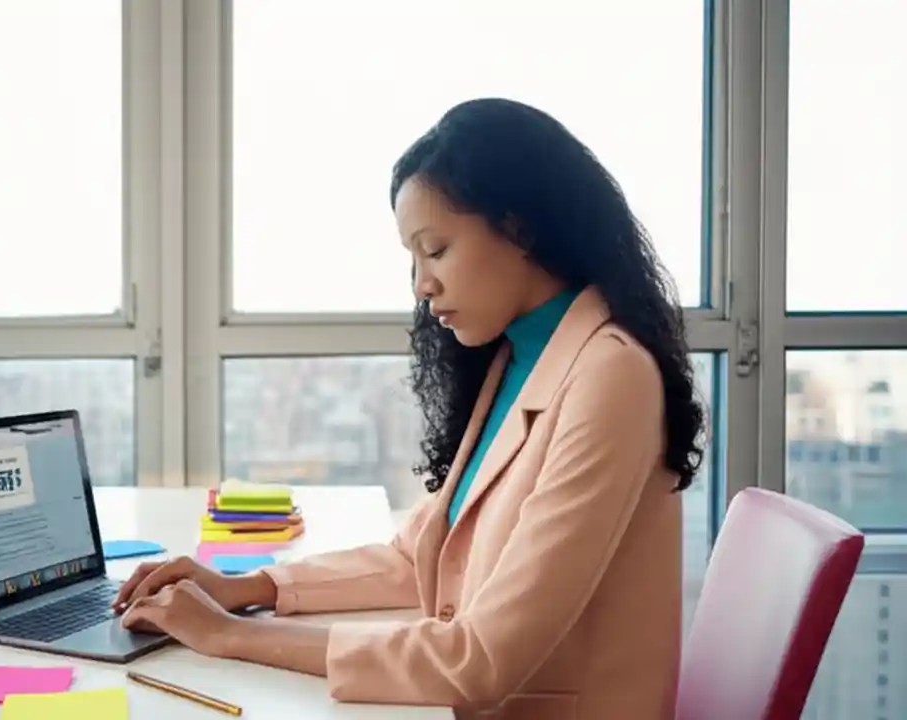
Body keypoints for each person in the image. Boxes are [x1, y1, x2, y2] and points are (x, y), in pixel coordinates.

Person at [113, 98, 705, 719]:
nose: (422, 285)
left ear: (519, 228)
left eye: (437, 249)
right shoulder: (516, 356)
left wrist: (233, 636)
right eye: (414, 259)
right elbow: (413, 557)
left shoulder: (610, 374)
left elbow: (479, 658)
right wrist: (243, 590)